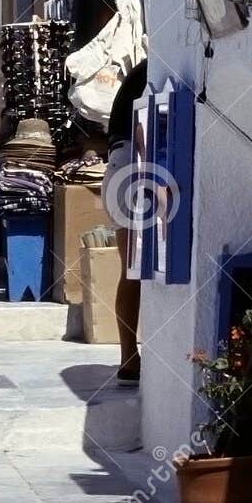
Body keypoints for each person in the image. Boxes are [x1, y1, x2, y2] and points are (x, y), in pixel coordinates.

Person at [103, 56, 147, 385]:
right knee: (135, 269)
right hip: (132, 165)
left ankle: (129, 357)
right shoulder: (157, 69)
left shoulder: (140, 73)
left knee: (130, 270)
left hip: (119, 167)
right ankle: (130, 358)